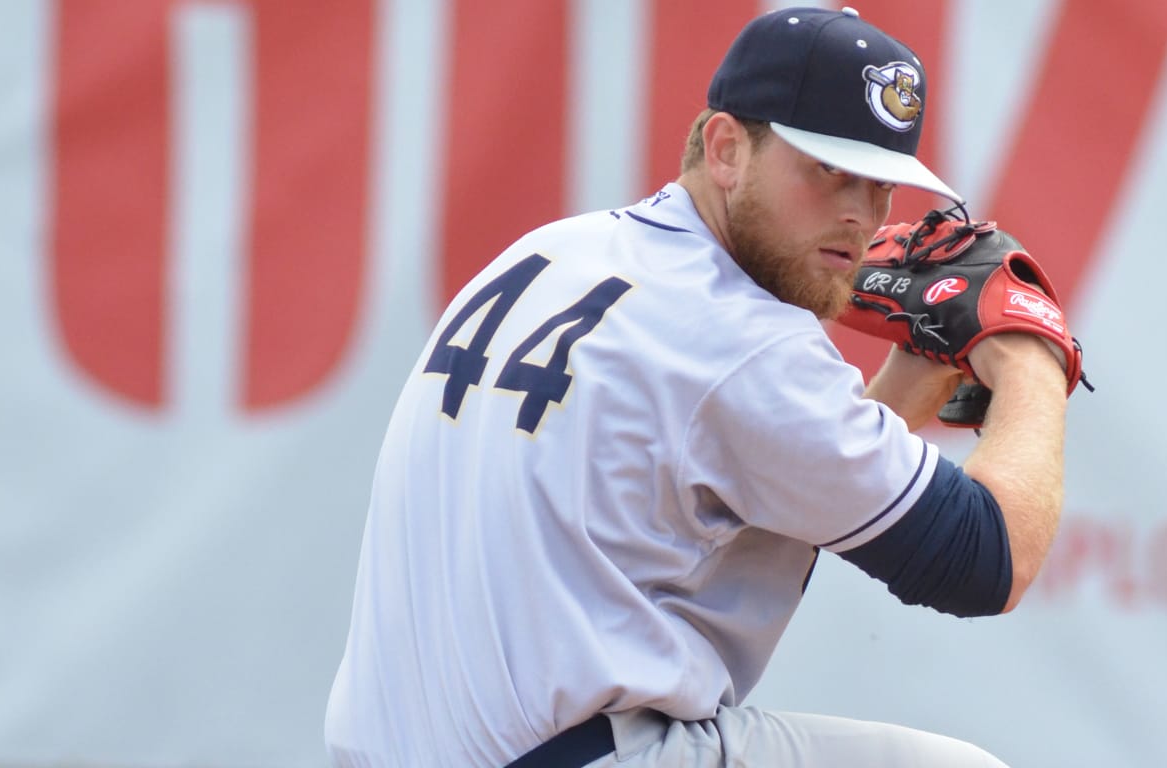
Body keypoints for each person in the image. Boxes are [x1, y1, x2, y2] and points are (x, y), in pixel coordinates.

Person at [326, 6, 1069, 767]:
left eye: (881, 184)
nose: (860, 213)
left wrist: (905, 387)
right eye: (829, 168)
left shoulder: (550, 252)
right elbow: (989, 562)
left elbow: (769, 470)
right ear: (725, 149)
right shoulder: (743, 338)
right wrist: (1029, 355)